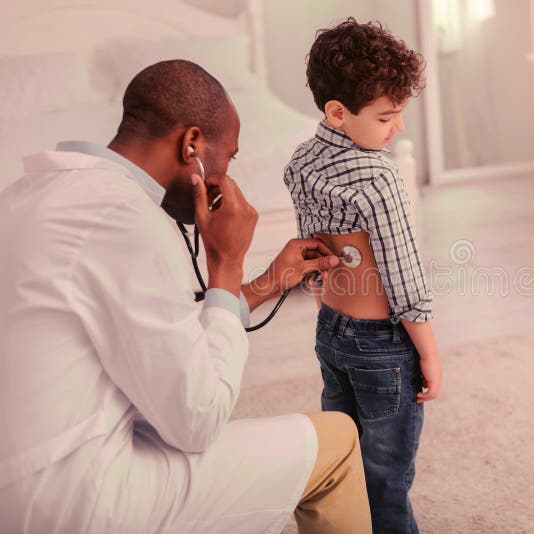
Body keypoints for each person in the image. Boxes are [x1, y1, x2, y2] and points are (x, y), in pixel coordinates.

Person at [0, 60, 372, 533]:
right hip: (71, 504)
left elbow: (152, 332)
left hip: (18, 487)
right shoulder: (127, 220)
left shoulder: (29, 194)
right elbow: (198, 419)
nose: (227, 171)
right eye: (229, 156)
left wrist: (266, 284)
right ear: (191, 144)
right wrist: (227, 263)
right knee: (337, 441)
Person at [284, 18, 442, 534]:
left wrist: (323, 301)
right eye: (386, 117)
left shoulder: (301, 161)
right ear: (338, 111)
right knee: (386, 479)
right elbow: (404, 275)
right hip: (382, 347)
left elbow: (310, 250)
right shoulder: (379, 177)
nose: (398, 128)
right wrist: (428, 351)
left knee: (344, 463)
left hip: (330, 331)